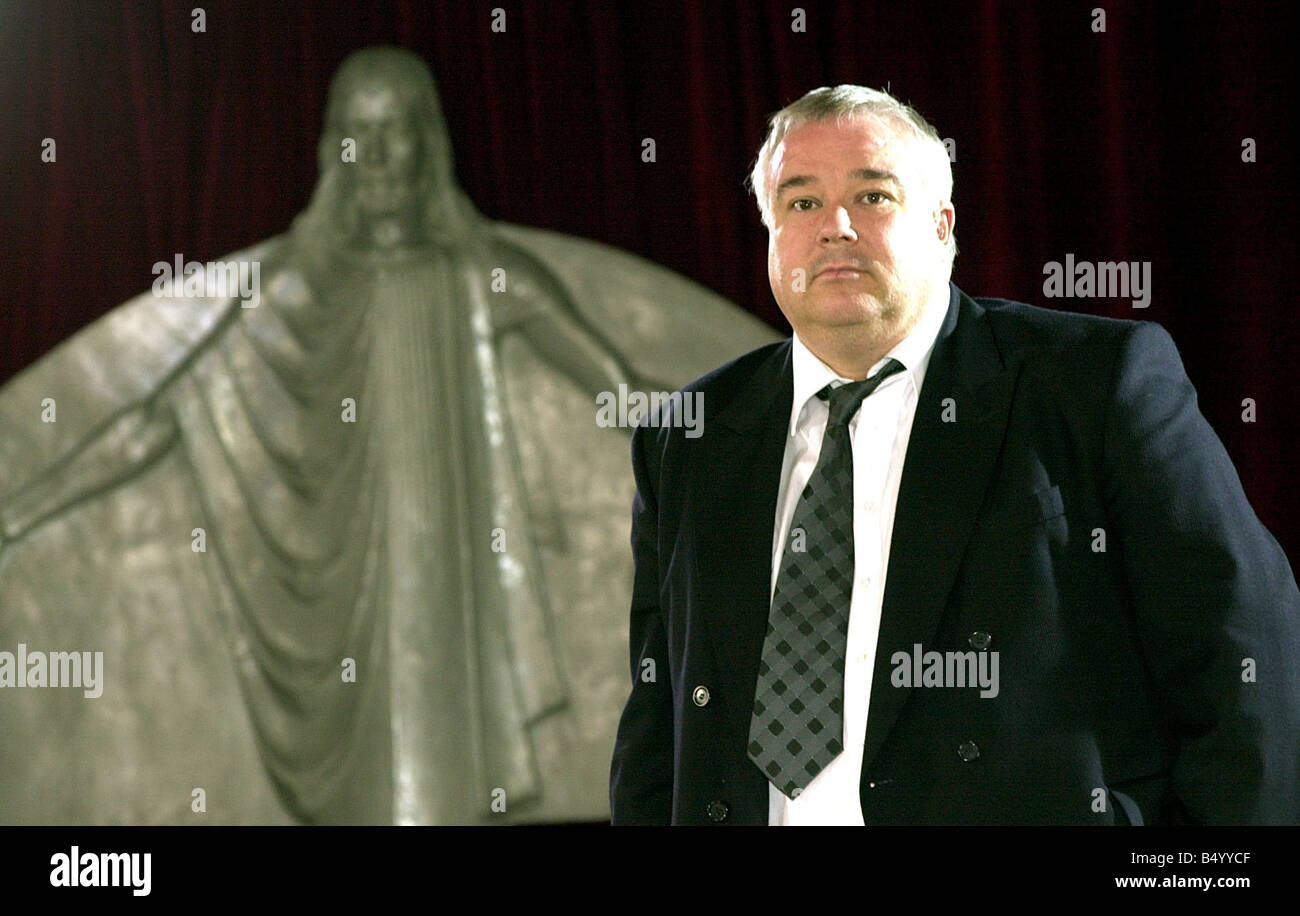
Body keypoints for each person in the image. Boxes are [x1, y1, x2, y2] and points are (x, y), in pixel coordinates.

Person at [608, 84, 1300, 825]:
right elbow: (659, 719)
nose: (835, 227)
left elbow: (1242, 658)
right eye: (801, 203)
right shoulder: (691, 435)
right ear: (771, 233)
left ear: (942, 227)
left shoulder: (1092, 383)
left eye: (873, 196)